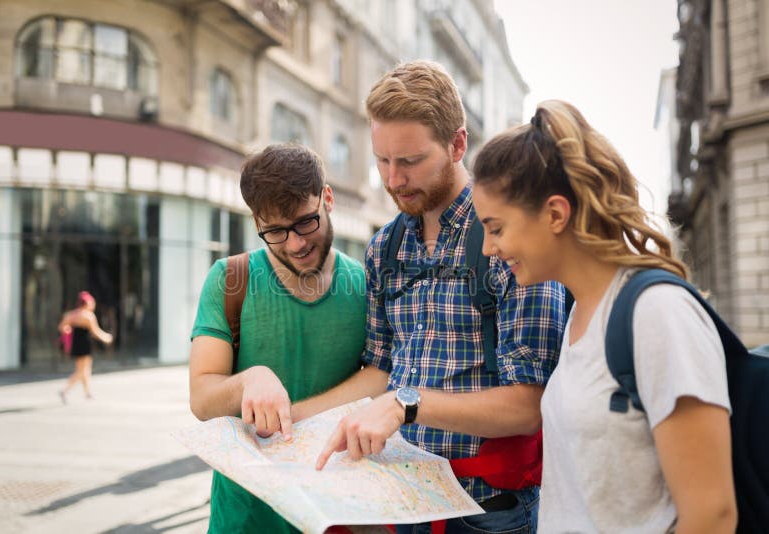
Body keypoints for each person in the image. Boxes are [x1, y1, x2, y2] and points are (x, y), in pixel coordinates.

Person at [313, 60, 566, 533]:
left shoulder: (510, 239)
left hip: (483, 511)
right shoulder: (384, 246)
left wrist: (405, 403)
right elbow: (381, 370)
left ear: (457, 144)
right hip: (396, 503)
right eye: (382, 160)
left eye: (410, 161)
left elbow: (530, 406)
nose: (393, 179)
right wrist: (295, 418)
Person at [471, 100, 736, 533]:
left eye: (496, 228)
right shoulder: (579, 313)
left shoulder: (658, 313)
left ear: (556, 214)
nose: (488, 248)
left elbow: (712, 515)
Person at [188, 144, 368, 533]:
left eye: (306, 222)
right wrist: (250, 379)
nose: (296, 244)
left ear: (329, 199)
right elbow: (202, 399)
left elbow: (383, 378)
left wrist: (297, 417)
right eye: (275, 231)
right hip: (245, 519)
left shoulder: (365, 286)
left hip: (340, 513)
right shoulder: (229, 279)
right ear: (257, 224)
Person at [57, 291, 113, 402]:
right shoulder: (88, 316)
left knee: (85, 369)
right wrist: (107, 338)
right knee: (81, 371)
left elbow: (61, 327)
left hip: (76, 343)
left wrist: (68, 330)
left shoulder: (71, 315)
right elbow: (95, 331)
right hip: (85, 344)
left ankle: (87, 393)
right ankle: (65, 390)